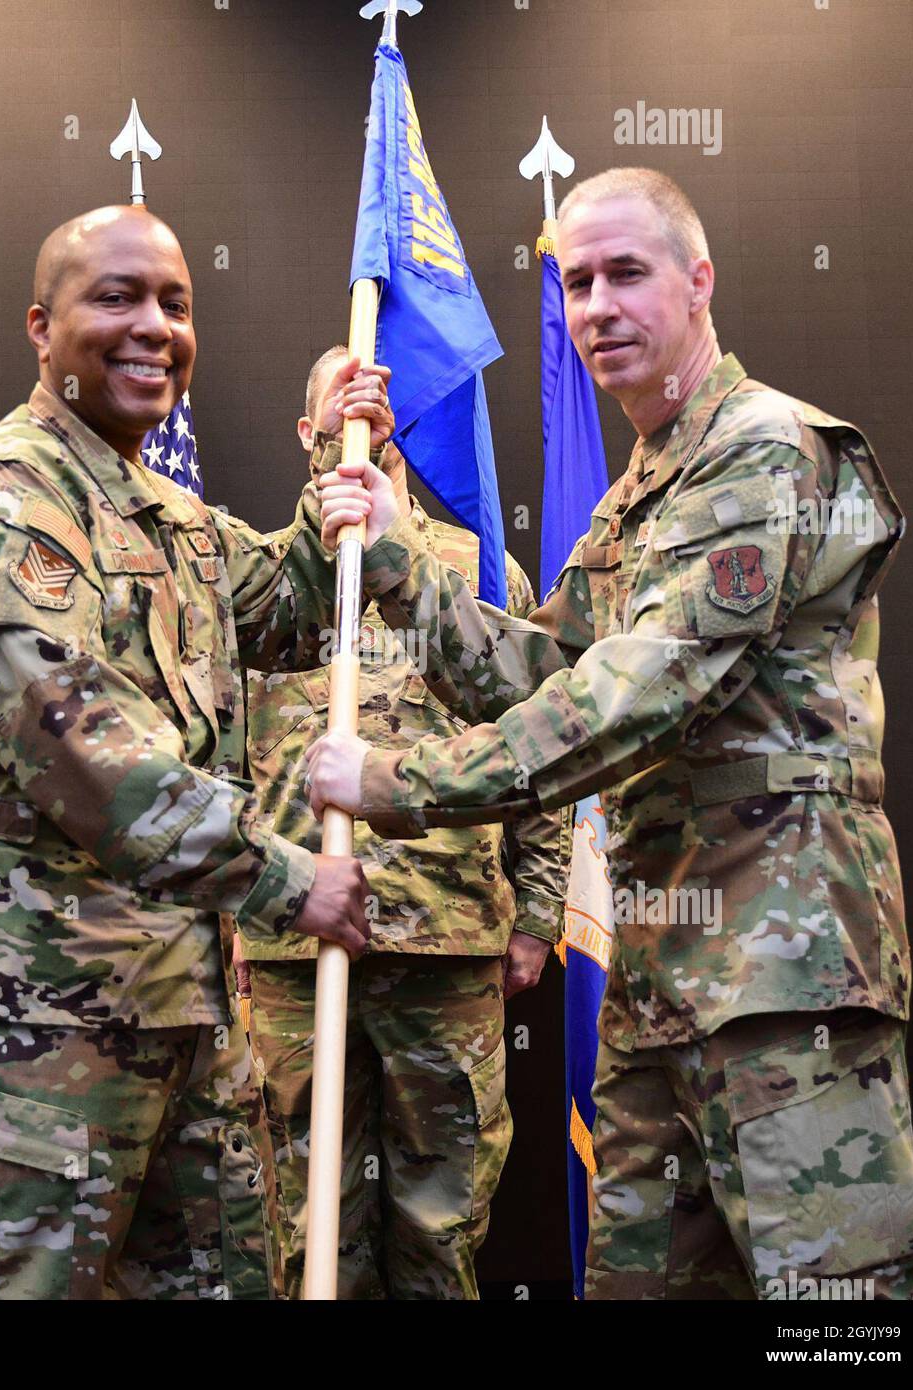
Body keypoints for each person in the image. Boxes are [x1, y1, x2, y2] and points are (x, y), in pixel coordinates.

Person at [307, 168, 913, 1300]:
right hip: (662, 986)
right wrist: (398, 557)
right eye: (575, 279)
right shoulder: (643, 489)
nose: (595, 305)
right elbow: (540, 670)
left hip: (784, 986)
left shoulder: (764, 451)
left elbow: (636, 693)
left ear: (699, 283)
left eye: (625, 274)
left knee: (836, 1314)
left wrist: (397, 782)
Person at [0, 204, 394, 1300]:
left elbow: (290, 607)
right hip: (37, 1036)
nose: (153, 326)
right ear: (40, 326)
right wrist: (290, 881)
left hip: (190, 1022)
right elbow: (81, 752)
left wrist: (343, 476)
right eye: (116, 297)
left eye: (174, 303)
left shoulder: (168, 515)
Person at [235, 345, 566, 1300]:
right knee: (304, 1228)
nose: (359, 417)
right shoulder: (263, 586)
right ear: (308, 433)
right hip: (292, 950)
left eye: (377, 404)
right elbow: (213, 756)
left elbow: (538, 742)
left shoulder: (473, 566)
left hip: (447, 939)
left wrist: (537, 915)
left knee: (441, 1226)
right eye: (338, 404)